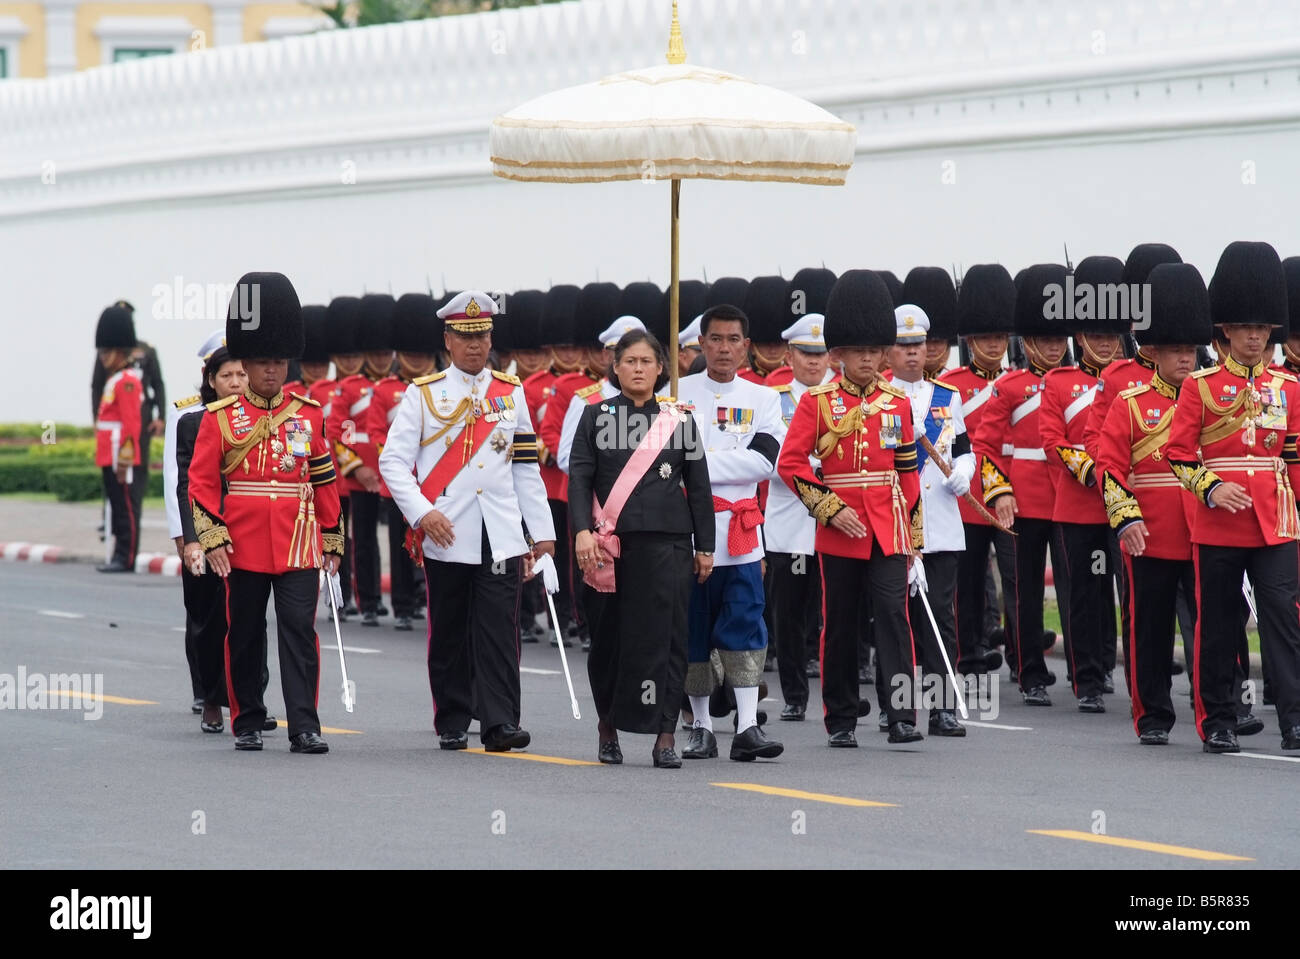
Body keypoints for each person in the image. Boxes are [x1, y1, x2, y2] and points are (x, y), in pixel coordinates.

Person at [379, 290, 556, 752]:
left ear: (491, 337)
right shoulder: (422, 395)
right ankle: (453, 717)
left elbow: (524, 467)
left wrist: (542, 535)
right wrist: (422, 513)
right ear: (448, 339)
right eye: (464, 335)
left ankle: (500, 722)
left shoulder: (510, 391)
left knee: (500, 628)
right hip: (448, 529)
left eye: (481, 335)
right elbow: (393, 464)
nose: (475, 344)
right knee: (451, 627)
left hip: (499, 531)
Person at [188, 272, 345, 753]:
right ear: (245, 364)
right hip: (243, 542)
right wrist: (212, 539)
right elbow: (202, 482)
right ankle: (248, 720)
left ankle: (304, 725)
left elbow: (323, 478)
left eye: (278, 361)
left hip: (298, 540)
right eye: (261, 363)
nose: (271, 371)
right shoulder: (220, 418)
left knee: (300, 631)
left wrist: (332, 537)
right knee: (246, 634)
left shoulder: (308, 413)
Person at [777, 269, 924, 747]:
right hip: (841, 527)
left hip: (889, 527)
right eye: (858, 351)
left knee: (893, 617)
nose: (867, 359)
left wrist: (914, 539)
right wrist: (827, 508)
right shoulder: (818, 404)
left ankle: (900, 715)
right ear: (838, 353)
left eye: (874, 350)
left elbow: (908, 473)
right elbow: (792, 463)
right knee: (838, 624)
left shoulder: (896, 403)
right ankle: (840, 717)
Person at [1166, 241, 1300, 753]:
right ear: (1225, 330)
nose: (1254, 337)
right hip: (1219, 520)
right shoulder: (1199, 388)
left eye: (1263, 329)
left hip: (1274, 520)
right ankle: (1218, 719)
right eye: (1246, 328)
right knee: (1219, 626)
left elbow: (1290, 454)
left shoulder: (1286, 387)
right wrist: (1211, 487)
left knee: (1284, 622)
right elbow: (1178, 455)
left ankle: (1293, 719)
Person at [568, 330, 714, 767]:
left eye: (646, 361)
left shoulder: (679, 420)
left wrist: (705, 546)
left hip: (669, 546)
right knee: (610, 641)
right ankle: (607, 728)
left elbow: (700, 488)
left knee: (669, 641)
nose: (637, 368)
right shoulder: (595, 417)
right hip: (610, 548)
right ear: (614, 367)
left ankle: (665, 735)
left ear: (660, 369)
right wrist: (579, 532)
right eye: (628, 360)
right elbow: (579, 478)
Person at [1096, 263, 1208, 745]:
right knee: (1150, 632)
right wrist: (1125, 520)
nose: (1185, 359)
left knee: (1208, 630)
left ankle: (1215, 714)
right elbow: (1109, 467)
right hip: (1151, 533)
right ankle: (1153, 715)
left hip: (1204, 531)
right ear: (1154, 351)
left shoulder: (1213, 399)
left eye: (1190, 349)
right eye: (1176, 350)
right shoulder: (1132, 402)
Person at [676, 303, 785, 761]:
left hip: (741, 532)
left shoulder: (764, 398)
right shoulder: (676, 394)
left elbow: (763, 462)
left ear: (747, 346)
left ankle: (745, 726)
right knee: (694, 628)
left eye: (733, 340)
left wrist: (696, 463)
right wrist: (699, 466)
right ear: (701, 344)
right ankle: (700, 726)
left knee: (745, 624)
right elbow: (665, 462)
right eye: (715, 339)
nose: (724, 348)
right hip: (690, 533)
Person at [973, 263, 1071, 705]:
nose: (1052, 347)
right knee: (1026, 592)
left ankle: (1089, 672)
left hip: (1069, 499)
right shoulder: (1010, 386)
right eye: (1045, 339)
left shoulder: (1079, 385)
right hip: (1025, 500)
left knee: (1075, 590)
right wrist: (1000, 492)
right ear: (1028, 342)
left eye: (1058, 339)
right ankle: (1029, 670)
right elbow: (986, 447)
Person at [1039, 255, 1127, 711]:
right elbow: (1054, 442)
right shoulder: (1059, 383)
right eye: (1096, 336)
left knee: (1124, 592)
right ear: (1081, 337)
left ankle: (1116, 668)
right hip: (1080, 505)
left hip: (1124, 505)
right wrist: (1097, 471)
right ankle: (1087, 680)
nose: (1106, 344)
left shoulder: (1133, 380)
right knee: (1085, 597)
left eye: (1111, 335)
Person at [889, 302, 975, 736]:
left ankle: (942, 707)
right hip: (895, 521)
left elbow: (963, 448)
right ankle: (899, 708)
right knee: (897, 617)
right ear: (889, 350)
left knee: (940, 615)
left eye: (917, 344)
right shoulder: (879, 400)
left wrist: (964, 472)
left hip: (940, 523)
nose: (911, 353)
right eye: (903, 345)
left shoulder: (948, 396)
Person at [766, 276, 836, 721]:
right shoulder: (772, 398)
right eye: (806, 355)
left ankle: (836, 693)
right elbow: (773, 457)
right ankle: (794, 694)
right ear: (790, 354)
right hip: (789, 519)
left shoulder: (844, 396)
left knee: (832, 611)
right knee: (789, 613)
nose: (814, 363)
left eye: (821, 354)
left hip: (833, 519)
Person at [947, 264, 1015, 677]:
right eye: (985, 337)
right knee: (967, 583)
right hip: (968, 493)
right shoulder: (953, 385)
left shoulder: (1018, 381)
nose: (993, 344)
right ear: (970, 340)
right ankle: (968, 652)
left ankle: (1022, 660)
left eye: (998, 336)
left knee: (1014, 582)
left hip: (1010, 494)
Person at [368, 293, 440, 631]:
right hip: (399, 483)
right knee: (400, 547)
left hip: (436, 480)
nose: (416, 359)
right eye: (411, 354)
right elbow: (377, 433)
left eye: (422, 354)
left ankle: (428, 596)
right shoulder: (384, 390)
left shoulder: (441, 388)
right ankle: (403, 604)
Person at [334, 293, 397, 627]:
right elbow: (339, 435)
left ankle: (399, 597)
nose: (381, 359)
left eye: (386, 353)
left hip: (392, 473)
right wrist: (358, 469)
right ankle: (366, 599)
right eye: (375, 353)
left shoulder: (400, 387)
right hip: (361, 476)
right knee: (362, 539)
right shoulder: (348, 389)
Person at [93, 304, 144, 574]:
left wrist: (125, 458)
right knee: (116, 506)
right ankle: (119, 553)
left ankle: (125, 557)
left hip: (118, 454)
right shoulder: (116, 379)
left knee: (125, 508)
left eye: (106, 351)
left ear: (120, 351)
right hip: (108, 452)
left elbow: (131, 423)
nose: (102, 357)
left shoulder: (127, 381)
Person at [324, 296, 365, 617]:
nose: (350, 362)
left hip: (356, 479)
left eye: (355, 356)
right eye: (344, 357)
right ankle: (341, 593)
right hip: (331, 478)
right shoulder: (325, 391)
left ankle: (355, 596)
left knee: (356, 540)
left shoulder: (365, 388)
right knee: (337, 537)